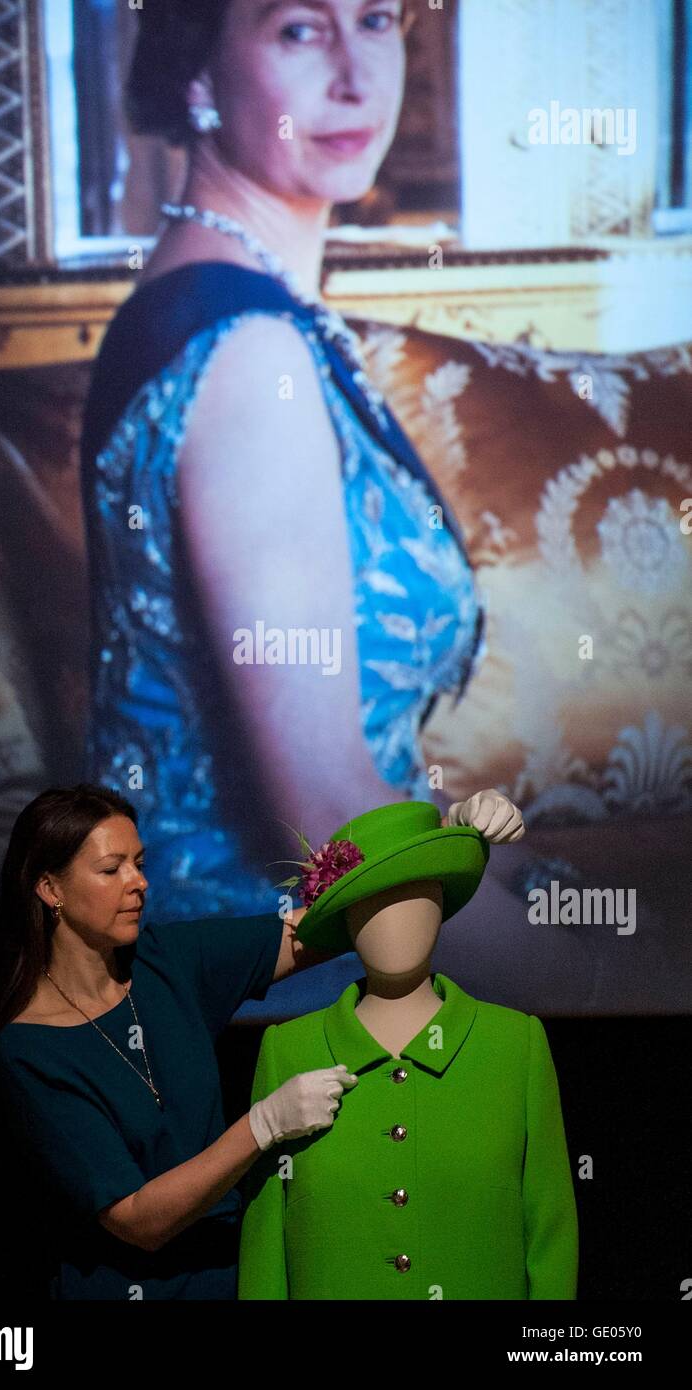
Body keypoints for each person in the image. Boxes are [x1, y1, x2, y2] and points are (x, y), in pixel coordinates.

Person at [79, 0, 533, 1019]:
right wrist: (602, 983)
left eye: (375, 19)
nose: (354, 72)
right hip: (269, 1004)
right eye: (297, 28)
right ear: (196, 72)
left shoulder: (245, 305)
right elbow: (326, 817)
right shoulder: (247, 355)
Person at [0, 783, 524, 1300]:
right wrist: (262, 1126)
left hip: (226, 1282)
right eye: (110, 868)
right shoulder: (30, 1049)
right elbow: (137, 1220)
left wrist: (442, 840)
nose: (138, 882)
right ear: (50, 888)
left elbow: (323, 926)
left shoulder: (167, 961)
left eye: (140, 863)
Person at [238, 800, 579, 1299]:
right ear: (344, 918)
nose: (393, 916)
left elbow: (550, 1234)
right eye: (371, 897)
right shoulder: (288, 1049)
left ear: (441, 900)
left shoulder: (514, 1044)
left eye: (413, 889)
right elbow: (265, 1250)